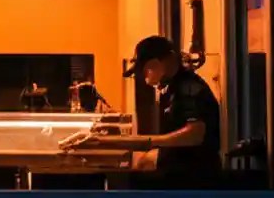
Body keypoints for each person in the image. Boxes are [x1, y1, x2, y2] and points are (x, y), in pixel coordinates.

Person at [60, 35, 221, 187]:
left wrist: (148, 142)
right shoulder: (172, 90)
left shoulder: (189, 89)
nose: (145, 77)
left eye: (147, 69)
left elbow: (195, 134)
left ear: (168, 60)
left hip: (194, 180)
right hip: (179, 176)